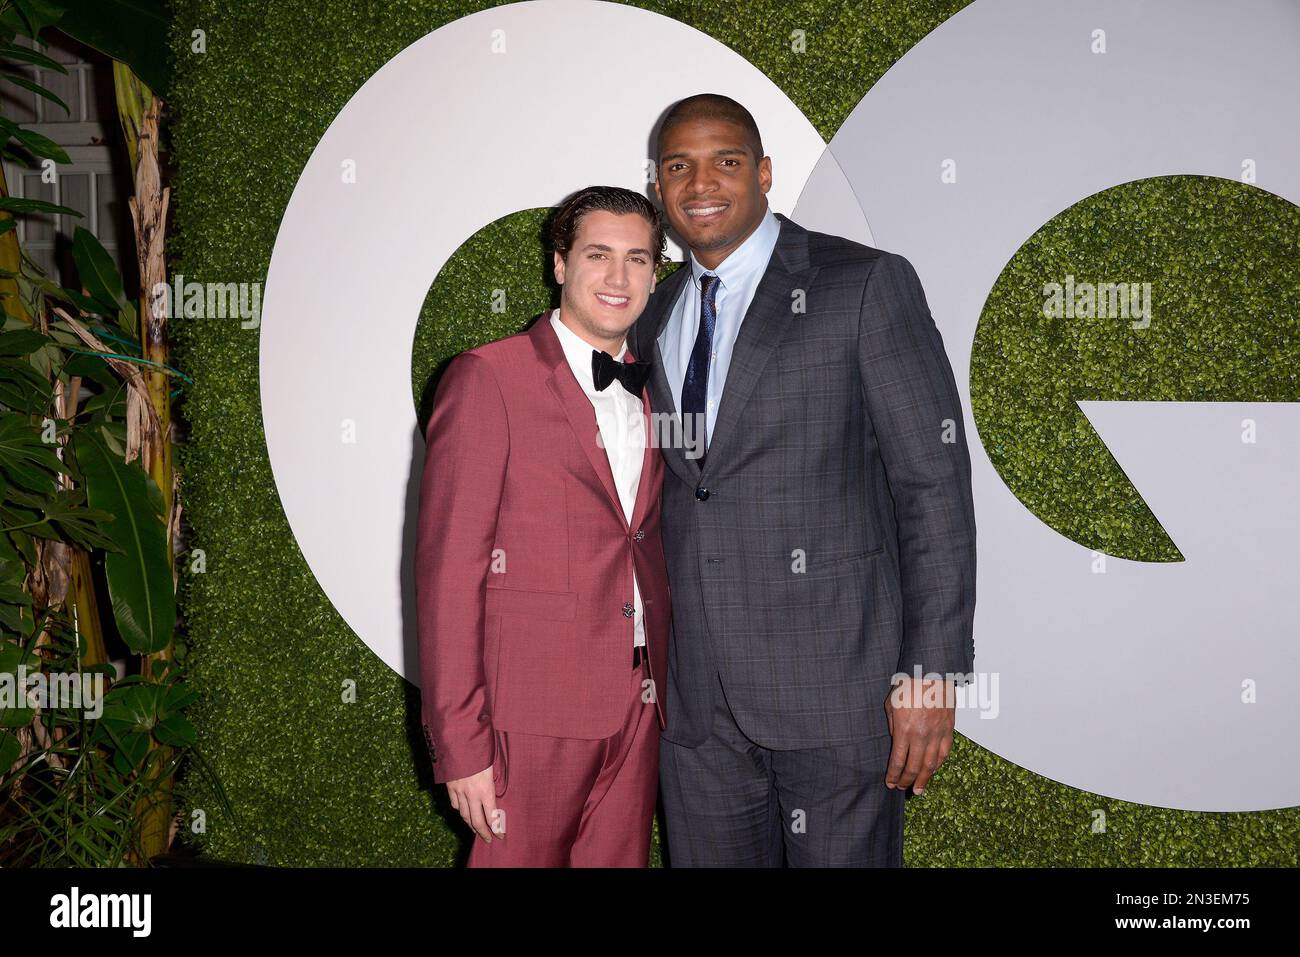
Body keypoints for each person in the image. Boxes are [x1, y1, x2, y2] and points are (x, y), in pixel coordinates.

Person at [632, 94, 977, 867]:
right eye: (677, 167)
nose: (701, 184)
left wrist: (929, 673)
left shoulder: (862, 284)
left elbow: (934, 488)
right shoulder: (653, 314)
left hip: (839, 693)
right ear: (658, 188)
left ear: (764, 173)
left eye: (725, 161)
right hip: (695, 711)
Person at [416, 186, 672, 866]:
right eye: (598, 255)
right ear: (559, 264)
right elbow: (448, 576)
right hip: (527, 715)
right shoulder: (486, 378)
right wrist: (463, 744)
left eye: (638, 259)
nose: (619, 278)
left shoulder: (657, 388)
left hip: (641, 702)